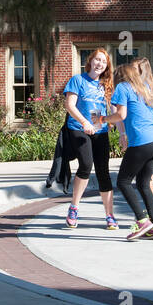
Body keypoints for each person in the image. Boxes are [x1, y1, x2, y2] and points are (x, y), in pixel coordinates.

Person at [104, 58, 153, 240]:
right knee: (143, 183)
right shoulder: (144, 87)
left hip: (141, 141)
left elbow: (120, 115)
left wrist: (102, 120)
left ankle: (141, 220)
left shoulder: (123, 87)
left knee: (123, 181)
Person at [61, 48, 118, 229]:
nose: (100, 64)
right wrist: (85, 122)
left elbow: (113, 107)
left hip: (99, 129)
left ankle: (109, 216)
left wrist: (113, 121)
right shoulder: (77, 80)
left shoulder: (106, 84)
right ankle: (74, 208)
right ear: (90, 61)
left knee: (103, 171)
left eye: (103, 61)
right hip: (79, 128)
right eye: (97, 60)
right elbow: (69, 105)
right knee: (86, 164)